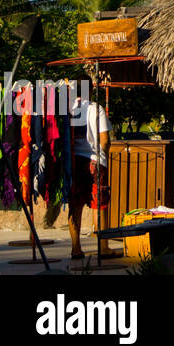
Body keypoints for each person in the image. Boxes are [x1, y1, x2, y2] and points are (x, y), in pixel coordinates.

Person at [67, 78, 112, 260]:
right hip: (95, 160)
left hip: (74, 161)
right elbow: (105, 139)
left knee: (75, 205)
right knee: (99, 204)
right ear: (91, 90)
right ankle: (103, 247)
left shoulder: (68, 109)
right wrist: (104, 156)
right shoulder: (96, 108)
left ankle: (76, 248)